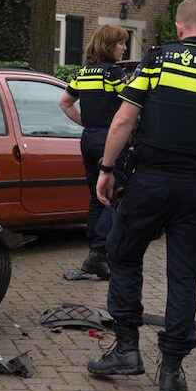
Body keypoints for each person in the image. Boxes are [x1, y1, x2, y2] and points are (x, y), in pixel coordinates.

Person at [86, 0, 196, 391]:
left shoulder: (159, 60)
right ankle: (171, 371)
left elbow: (125, 118)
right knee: (183, 276)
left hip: (149, 181)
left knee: (124, 255)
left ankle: (127, 350)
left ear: (180, 27)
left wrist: (106, 169)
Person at [59, 24, 129, 279]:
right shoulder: (114, 74)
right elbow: (132, 103)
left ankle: (95, 251)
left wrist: (85, 122)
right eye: (121, 43)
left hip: (88, 138)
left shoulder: (83, 72)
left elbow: (64, 102)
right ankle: (98, 255)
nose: (124, 48)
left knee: (96, 196)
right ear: (109, 45)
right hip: (110, 140)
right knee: (115, 195)